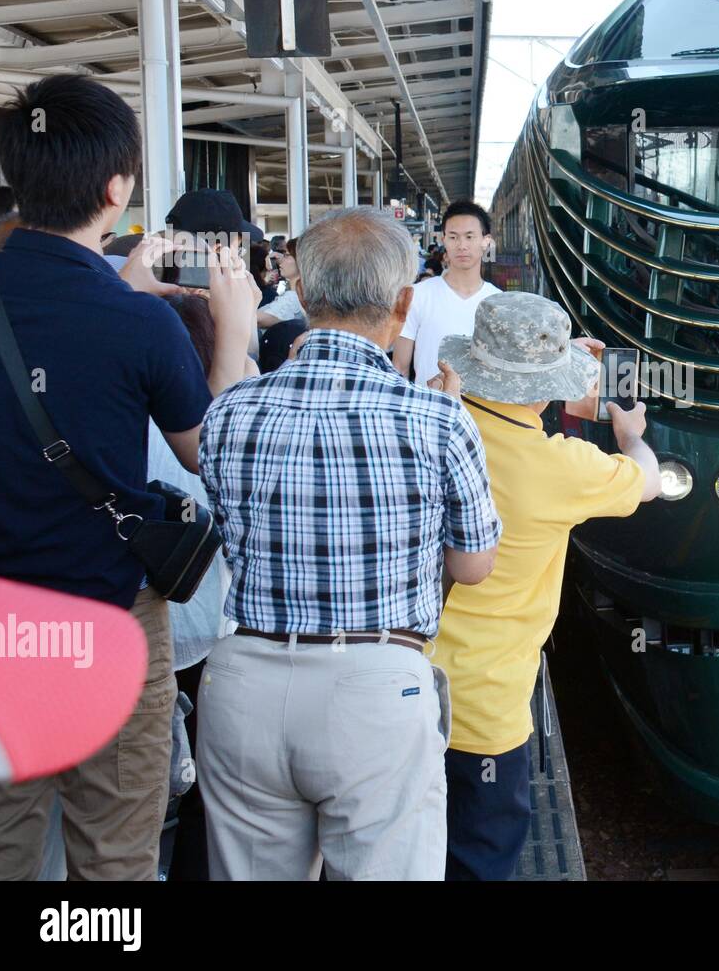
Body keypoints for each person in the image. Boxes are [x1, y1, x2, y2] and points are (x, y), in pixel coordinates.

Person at [0, 73, 258, 882]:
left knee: (3, 851)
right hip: (108, 624)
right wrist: (233, 333)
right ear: (116, 187)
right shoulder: (136, 320)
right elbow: (210, 454)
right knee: (113, 859)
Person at [196, 206, 502, 881]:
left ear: (301, 293)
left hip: (244, 680)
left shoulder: (231, 411)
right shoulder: (437, 418)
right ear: (401, 302)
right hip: (376, 688)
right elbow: (475, 566)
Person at [431, 292, 661, 880]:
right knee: (480, 857)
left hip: (400, 685)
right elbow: (647, 484)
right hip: (486, 707)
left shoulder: (432, 419)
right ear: (549, 388)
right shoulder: (564, 468)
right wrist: (630, 433)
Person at [392, 200, 499, 383]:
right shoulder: (416, 296)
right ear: (444, 241)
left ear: (486, 242)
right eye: (453, 237)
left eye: (469, 236)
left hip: (482, 412)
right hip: (427, 409)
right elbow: (400, 368)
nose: (461, 245)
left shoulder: (498, 302)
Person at [257, 235, 304, 329]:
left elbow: (257, 320)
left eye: (286, 255)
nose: (281, 260)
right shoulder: (301, 296)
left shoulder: (293, 298)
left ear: (301, 261)